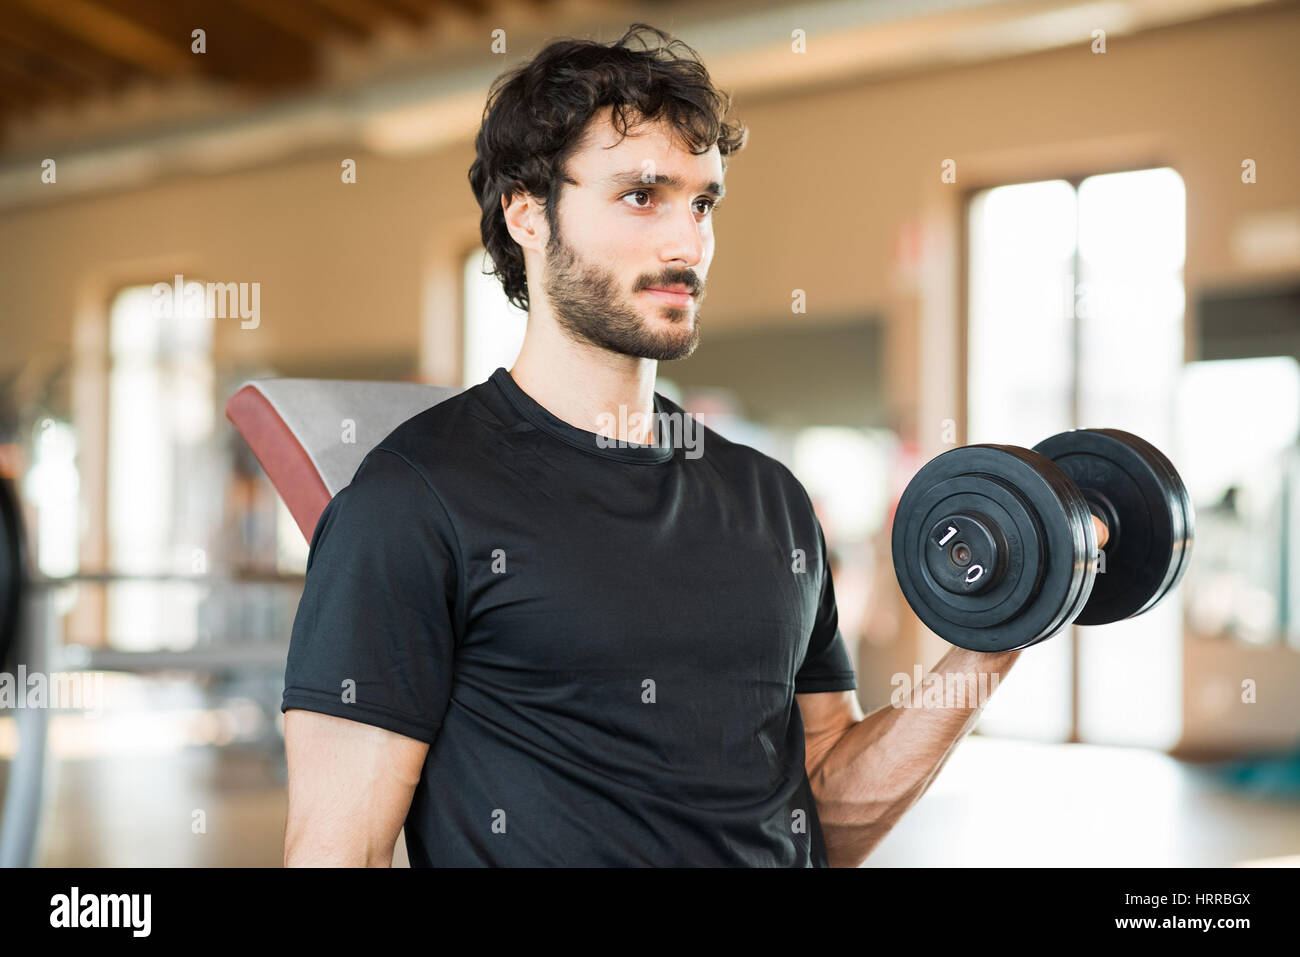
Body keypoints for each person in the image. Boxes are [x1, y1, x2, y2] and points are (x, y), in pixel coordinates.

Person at [281, 22, 1018, 867]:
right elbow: (341, 852)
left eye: (702, 203)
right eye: (642, 196)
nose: (686, 244)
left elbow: (825, 811)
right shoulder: (412, 500)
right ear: (528, 213)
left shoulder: (771, 500)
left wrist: (997, 634)